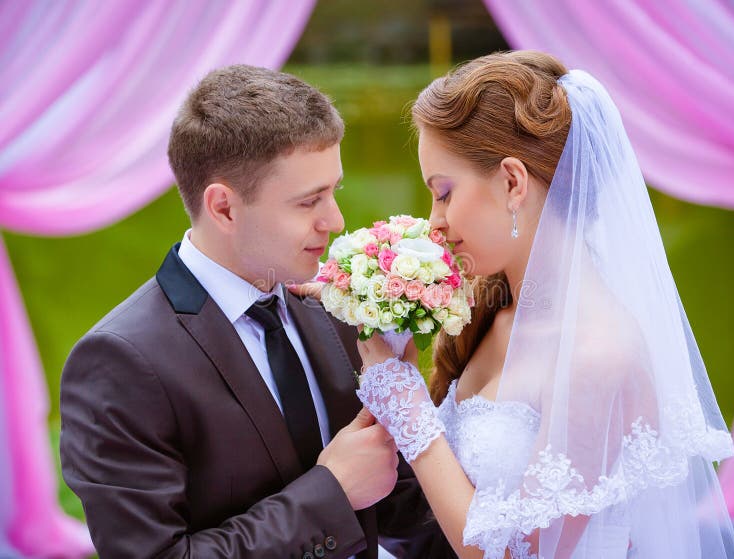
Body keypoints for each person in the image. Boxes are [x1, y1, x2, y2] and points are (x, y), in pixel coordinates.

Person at [350, 51, 734, 558]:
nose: (435, 221)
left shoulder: (596, 354)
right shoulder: (497, 307)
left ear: (513, 183)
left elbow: (515, 553)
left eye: (444, 192)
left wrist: (411, 414)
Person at [59, 64, 453, 559]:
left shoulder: (334, 304)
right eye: (309, 201)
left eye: (335, 191)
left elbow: (391, 499)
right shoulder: (120, 362)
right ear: (224, 207)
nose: (335, 220)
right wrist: (330, 493)